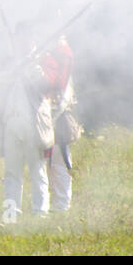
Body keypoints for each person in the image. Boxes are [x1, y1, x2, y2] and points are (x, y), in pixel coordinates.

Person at [0, 22, 61, 221]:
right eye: (20, 37)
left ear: (33, 39)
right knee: (12, 171)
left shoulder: (45, 60)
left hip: (34, 122)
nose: (23, 41)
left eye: (26, 37)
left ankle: (40, 211)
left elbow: (48, 85)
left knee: (37, 170)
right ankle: (11, 212)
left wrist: (32, 66)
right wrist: (16, 67)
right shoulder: (11, 60)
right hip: (12, 122)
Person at [43, 34, 78, 213]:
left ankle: (62, 204)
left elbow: (59, 83)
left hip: (57, 110)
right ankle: (55, 203)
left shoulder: (62, 51)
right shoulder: (56, 50)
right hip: (48, 110)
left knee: (59, 160)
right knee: (48, 161)